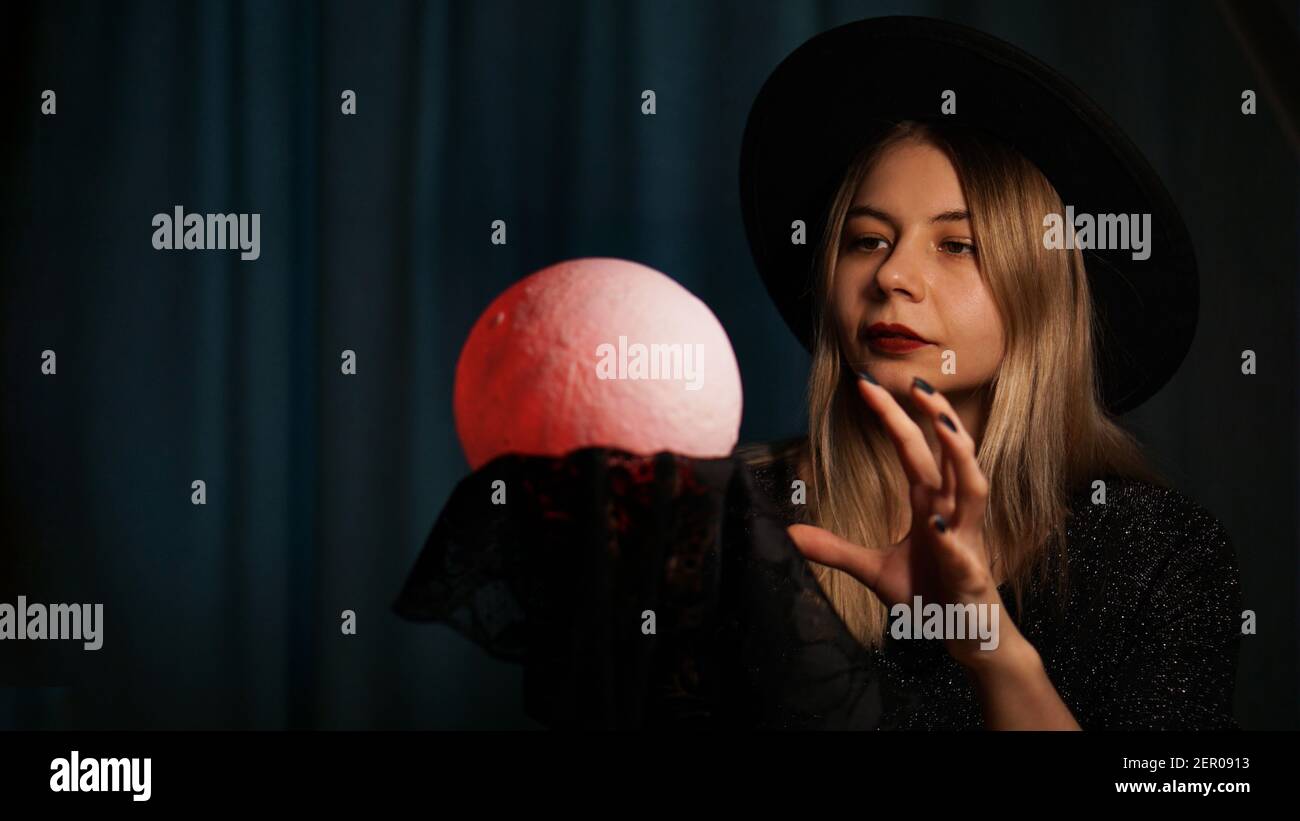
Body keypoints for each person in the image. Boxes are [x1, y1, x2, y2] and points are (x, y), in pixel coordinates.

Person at [736, 17, 1241, 729]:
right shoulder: (735, 522)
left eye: (957, 245)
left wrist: (992, 648)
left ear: (1041, 291)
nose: (893, 274)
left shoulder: (1158, 555)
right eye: (868, 239)